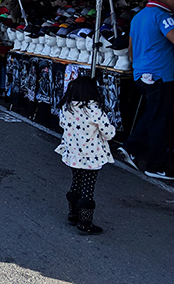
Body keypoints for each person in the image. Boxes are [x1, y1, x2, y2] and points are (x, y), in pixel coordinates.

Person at [117, 0, 174, 180]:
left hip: (141, 75)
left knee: (153, 114)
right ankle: (155, 165)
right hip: (159, 76)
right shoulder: (162, 16)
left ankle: (130, 147)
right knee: (160, 121)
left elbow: (131, 51)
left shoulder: (139, 17)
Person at [55, 76, 115, 235]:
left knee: (76, 182)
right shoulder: (94, 110)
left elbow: (62, 125)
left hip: (72, 154)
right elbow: (108, 133)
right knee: (88, 188)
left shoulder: (66, 108)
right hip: (91, 156)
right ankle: (85, 223)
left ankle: (72, 214)